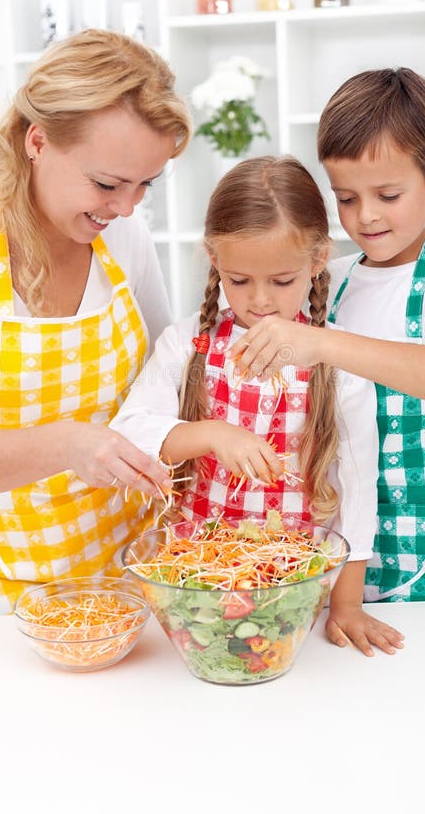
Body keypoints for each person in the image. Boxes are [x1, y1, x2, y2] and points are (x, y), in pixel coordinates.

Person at [225, 68, 425, 622]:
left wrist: (325, 341)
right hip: (346, 551)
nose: (366, 215)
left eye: (389, 194)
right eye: (346, 197)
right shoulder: (337, 277)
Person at [0, 29, 192, 616]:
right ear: (37, 140)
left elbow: (164, 380)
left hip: (131, 571)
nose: (126, 207)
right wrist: (71, 444)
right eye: (107, 183)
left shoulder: (122, 233)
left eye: (143, 186)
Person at [112, 155, 405, 656]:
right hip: (197, 580)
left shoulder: (337, 361)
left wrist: (347, 605)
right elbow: (129, 431)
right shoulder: (188, 344)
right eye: (240, 280)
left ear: (316, 261)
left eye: (282, 280)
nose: (261, 300)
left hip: (291, 585)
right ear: (213, 259)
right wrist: (212, 435)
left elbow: (359, 486)